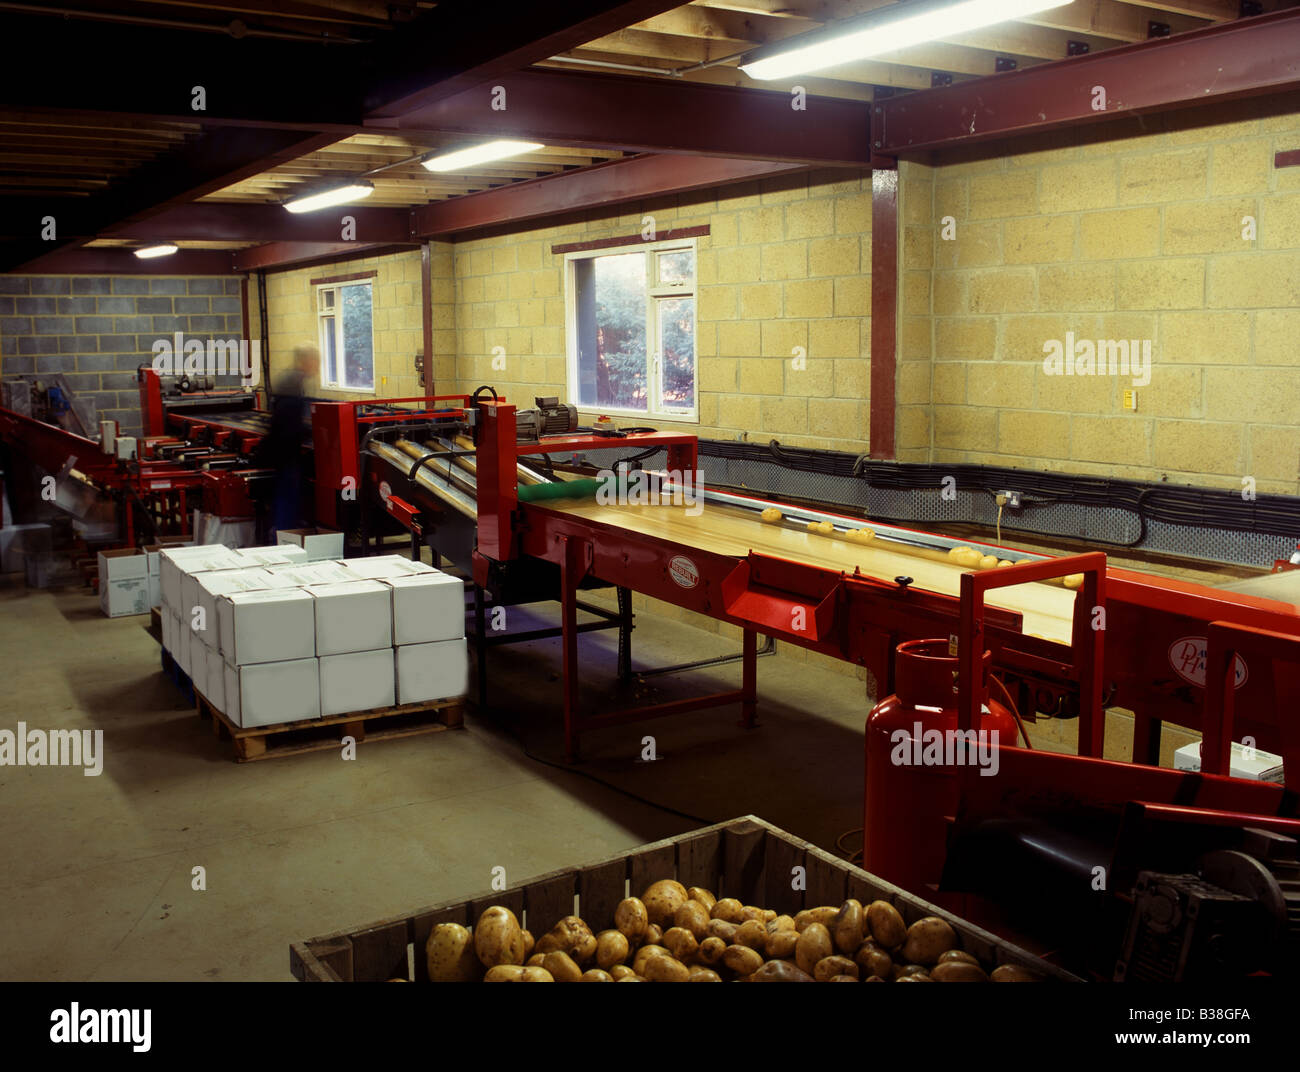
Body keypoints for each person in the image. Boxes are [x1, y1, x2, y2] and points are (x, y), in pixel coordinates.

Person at [255, 345, 317, 537]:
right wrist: (309, 433)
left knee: (287, 497)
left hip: (283, 451)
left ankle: (283, 532)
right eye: (315, 361)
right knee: (287, 498)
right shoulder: (292, 383)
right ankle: (284, 537)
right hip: (285, 454)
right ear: (305, 361)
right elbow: (288, 423)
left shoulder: (292, 380)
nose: (317, 366)